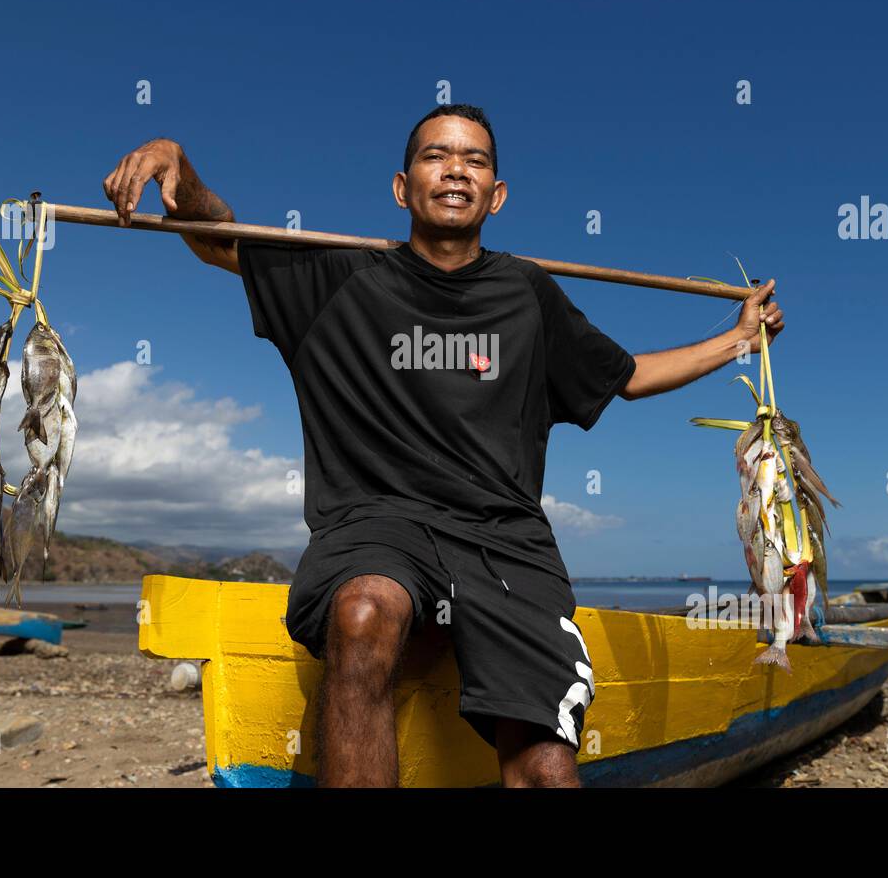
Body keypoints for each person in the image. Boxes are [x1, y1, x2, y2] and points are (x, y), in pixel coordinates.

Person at [102, 105, 783, 787]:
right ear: (402, 187)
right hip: (375, 530)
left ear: (497, 193)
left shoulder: (527, 293)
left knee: (544, 767)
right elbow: (218, 235)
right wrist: (178, 169)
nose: (456, 168)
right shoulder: (339, 278)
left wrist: (739, 339)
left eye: (475, 159)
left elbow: (627, 376)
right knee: (363, 611)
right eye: (436, 155)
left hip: (504, 545)